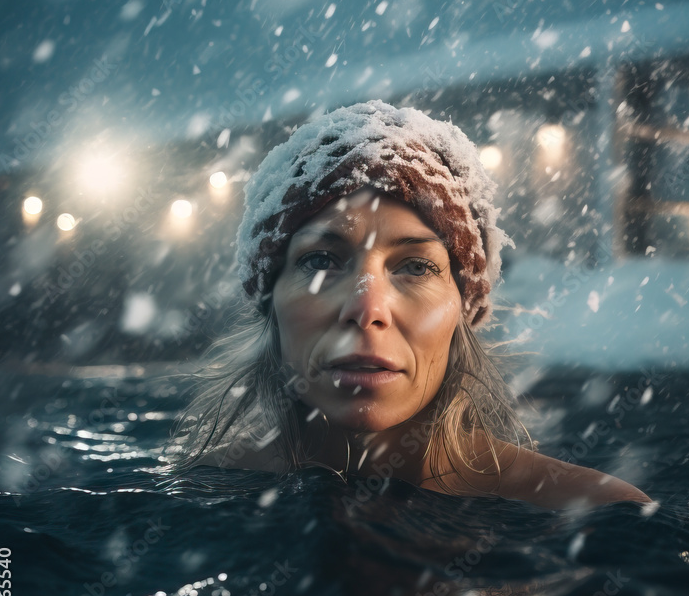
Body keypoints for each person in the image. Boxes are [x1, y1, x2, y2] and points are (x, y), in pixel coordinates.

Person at [172, 100, 651, 509]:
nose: (367, 308)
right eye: (321, 260)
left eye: (416, 267)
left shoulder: (594, 510)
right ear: (269, 300)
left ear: (465, 308)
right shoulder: (196, 492)